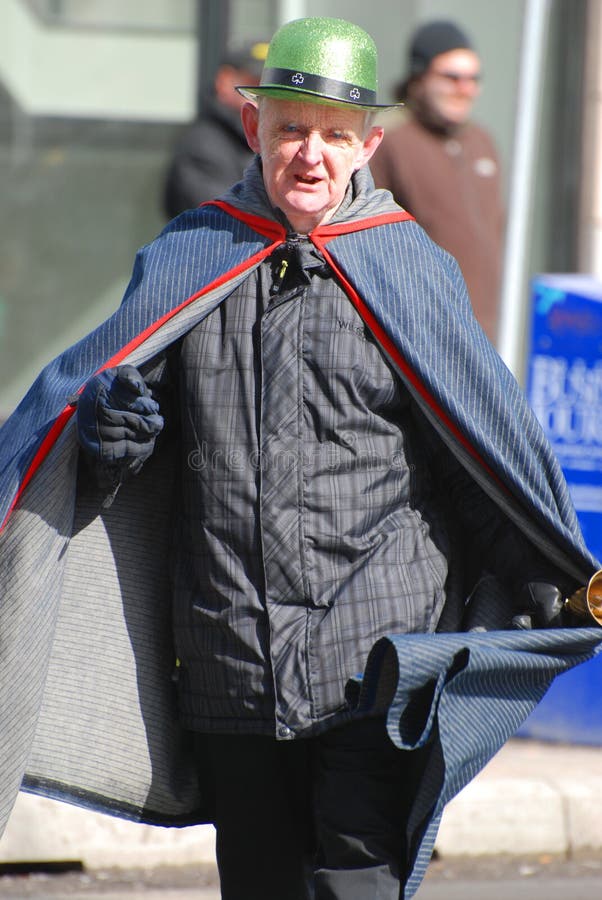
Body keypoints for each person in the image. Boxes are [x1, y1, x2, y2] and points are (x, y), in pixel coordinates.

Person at [0, 16, 600, 900]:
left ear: (369, 146)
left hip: (378, 669)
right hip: (229, 670)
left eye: (333, 136)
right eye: (290, 129)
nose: (310, 156)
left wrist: (548, 581)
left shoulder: (408, 267)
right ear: (254, 130)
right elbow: (105, 443)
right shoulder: (191, 254)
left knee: (355, 888)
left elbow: (481, 453)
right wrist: (108, 434)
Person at [370, 20, 504, 343]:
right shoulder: (387, 139)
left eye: (473, 79)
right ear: (418, 79)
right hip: (417, 332)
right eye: (451, 77)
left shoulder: (481, 141)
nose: (465, 89)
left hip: (483, 331)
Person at [162, 38, 268, 218]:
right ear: (225, 81)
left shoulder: (267, 139)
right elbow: (222, 222)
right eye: (255, 85)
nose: (262, 98)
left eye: (270, 89)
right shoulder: (203, 146)